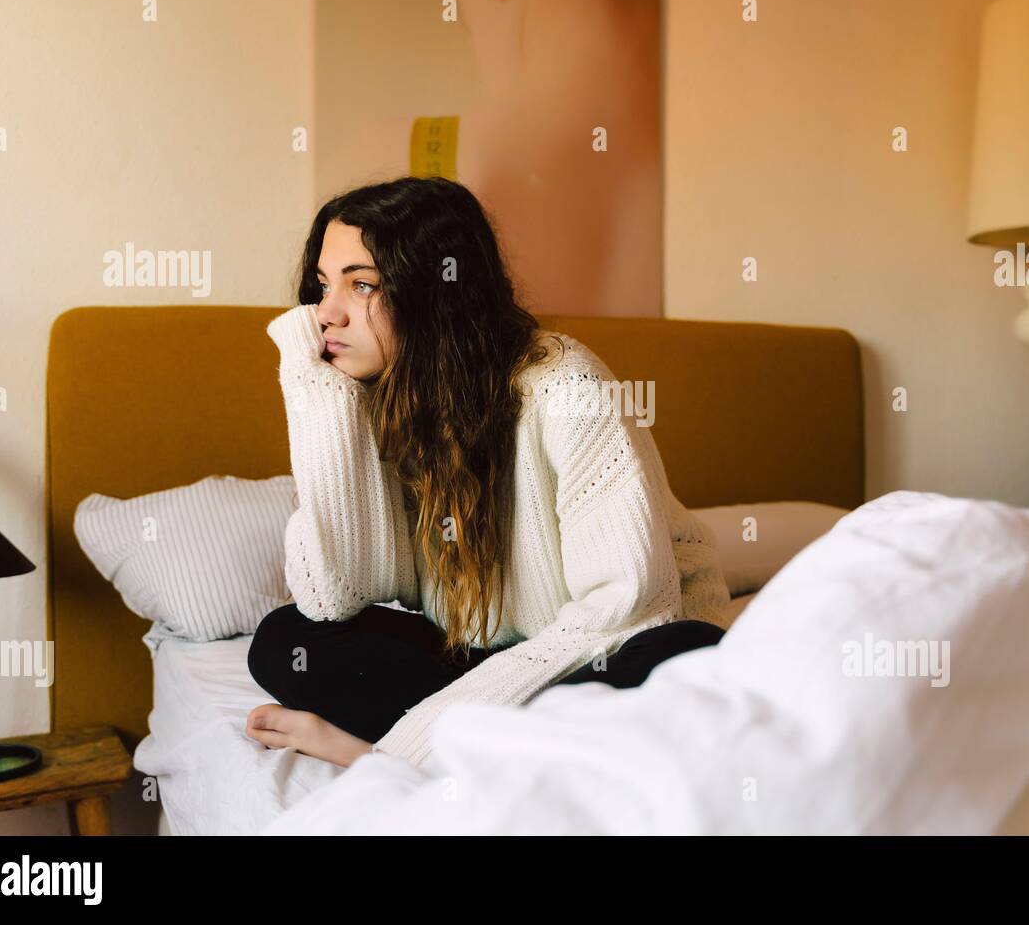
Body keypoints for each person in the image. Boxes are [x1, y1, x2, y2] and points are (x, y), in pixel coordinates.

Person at [245, 176, 732, 771]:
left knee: (678, 654)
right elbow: (338, 594)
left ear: (434, 290)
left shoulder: (567, 388)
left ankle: (459, 751)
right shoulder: (377, 396)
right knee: (288, 639)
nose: (325, 314)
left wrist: (395, 755)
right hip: (483, 656)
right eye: (323, 285)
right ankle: (510, 749)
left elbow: (625, 610)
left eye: (362, 285)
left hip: (607, 648)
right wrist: (320, 396)